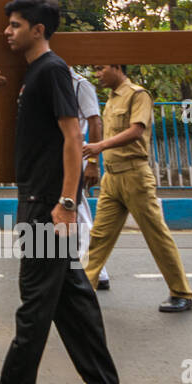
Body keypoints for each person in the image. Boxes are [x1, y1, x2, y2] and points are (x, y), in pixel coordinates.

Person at [0, 0, 124, 384]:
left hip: (47, 203)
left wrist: (67, 202)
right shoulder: (35, 73)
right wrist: (1, 88)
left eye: (15, 25)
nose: (7, 31)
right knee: (71, 298)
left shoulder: (52, 70)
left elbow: (73, 138)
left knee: (35, 294)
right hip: (39, 197)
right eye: (8, 24)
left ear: (39, 30)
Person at [82, 64, 192, 311]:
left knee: (156, 235)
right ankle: (81, 290)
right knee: (98, 238)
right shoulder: (110, 99)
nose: (97, 74)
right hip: (111, 178)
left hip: (134, 176)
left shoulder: (138, 94)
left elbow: (136, 130)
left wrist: (100, 146)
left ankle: (181, 292)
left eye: (100, 69)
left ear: (117, 67)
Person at [71, 67, 111, 291]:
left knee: (78, 211)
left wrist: (94, 162)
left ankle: (97, 270)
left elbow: (95, 122)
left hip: (74, 156)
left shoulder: (79, 84)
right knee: (76, 211)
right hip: (50, 158)